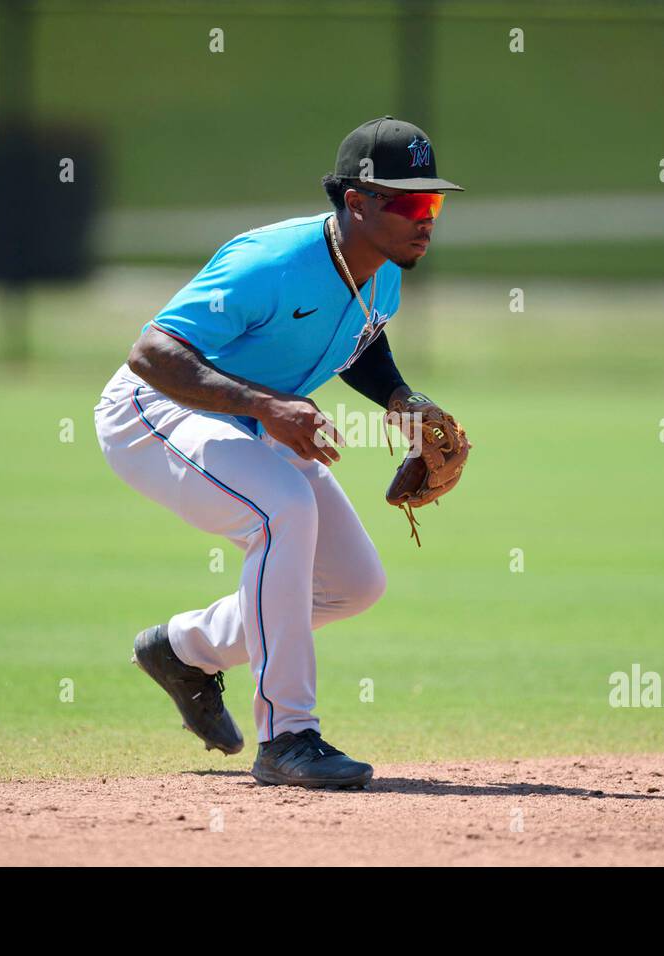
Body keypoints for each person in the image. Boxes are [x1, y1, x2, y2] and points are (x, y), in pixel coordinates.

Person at [93, 116, 464, 789]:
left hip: (249, 422)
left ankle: (182, 651)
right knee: (282, 508)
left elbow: (362, 340)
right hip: (155, 409)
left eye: (432, 202)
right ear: (357, 202)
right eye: (409, 203)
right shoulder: (269, 262)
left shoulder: (384, 273)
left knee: (353, 583)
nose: (425, 218)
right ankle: (288, 736)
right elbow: (151, 354)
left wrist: (402, 401)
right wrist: (269, 406)